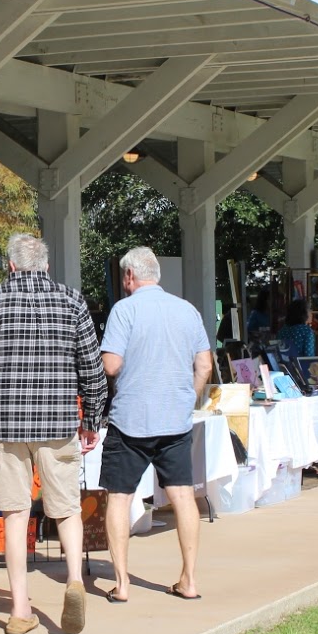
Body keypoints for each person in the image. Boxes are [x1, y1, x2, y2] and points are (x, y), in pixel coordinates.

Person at [0, 234, 105, 634]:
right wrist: (92, 419)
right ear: (46, 265)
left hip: (5, 427)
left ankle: (20, 609)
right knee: (67, 509)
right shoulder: (72, 301)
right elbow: (92, 369)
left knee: (16, 515)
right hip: (58, 424)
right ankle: (74, 579)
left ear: (11, 266)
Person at [98, 247, 211, 604]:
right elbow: (205, 367)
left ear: (129, 276)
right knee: (182, 496)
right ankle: (189, 579)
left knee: (119, 498)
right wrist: (185, 400)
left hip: (130, 419)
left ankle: (122, 584)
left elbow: (111, 366)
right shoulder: (187, 310)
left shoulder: (124, 310)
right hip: (174, 420)